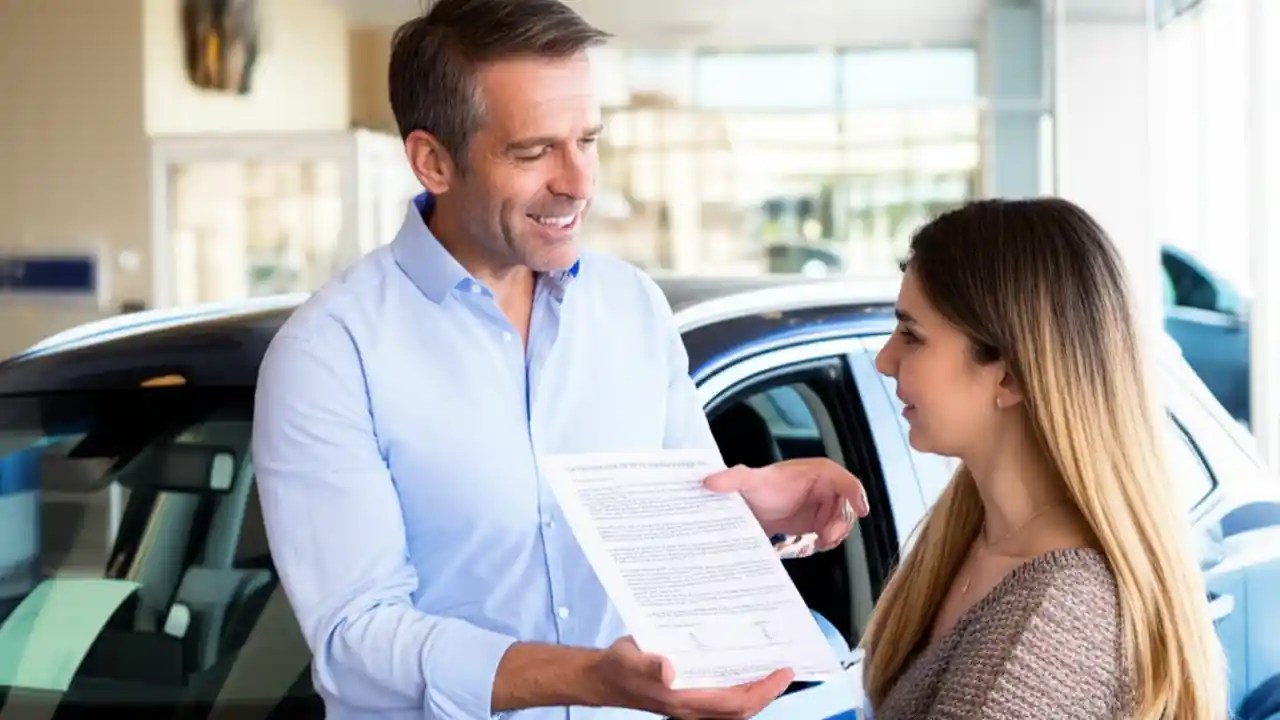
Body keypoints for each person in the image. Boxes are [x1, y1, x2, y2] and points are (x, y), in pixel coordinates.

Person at [250, 1, 868, 719]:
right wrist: (588, 678)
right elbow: (356, 640)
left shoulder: (631, 308)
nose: (578, 181)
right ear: (433, 161)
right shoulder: (331, 354)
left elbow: (671, 549)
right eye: (534, 151)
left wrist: (749, 508)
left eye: (588, 140)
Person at [862, 198, 1228, 719]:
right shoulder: (967, 535)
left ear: (1010, 376)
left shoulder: (1055, 621)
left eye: (911, 336)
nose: (885, 359)